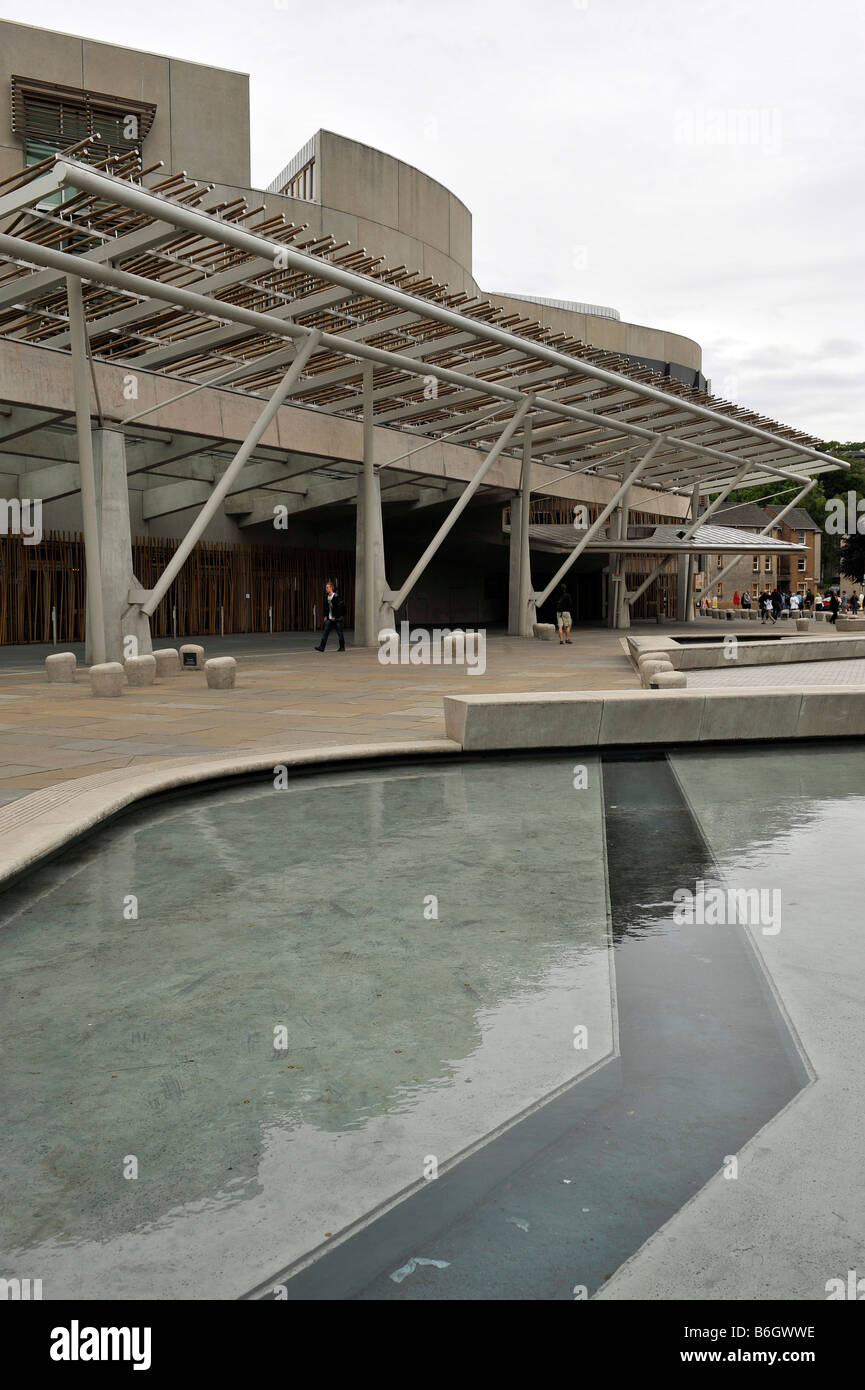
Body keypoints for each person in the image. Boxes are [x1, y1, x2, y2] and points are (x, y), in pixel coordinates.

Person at [314, 578, 346, 651]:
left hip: (336, 619)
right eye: (326, 587)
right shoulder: (326, 597)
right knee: (325, 633)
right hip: (330, 618)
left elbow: (339, 608)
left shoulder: (336, 596)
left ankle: (342, 647)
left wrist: (335, 616)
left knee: (340, 633)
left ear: (331, 588)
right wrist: (325, 616)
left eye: (327, 587)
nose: (326, 588)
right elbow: (326, 608)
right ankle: (322, 647)